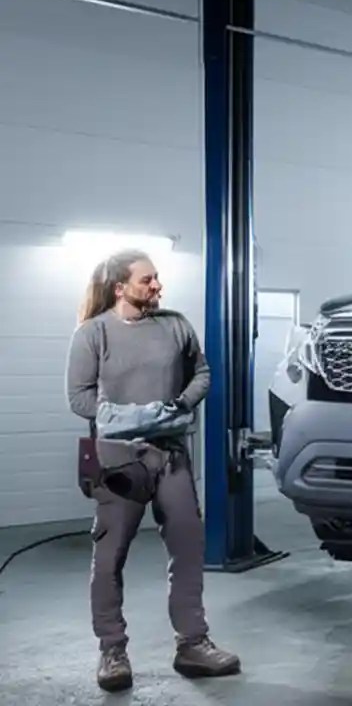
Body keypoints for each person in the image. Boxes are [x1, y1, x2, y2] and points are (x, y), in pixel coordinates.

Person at [65, 249, 241, 692]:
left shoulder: (176, 325)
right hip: (118, 461)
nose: (157, 286)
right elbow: (80, 399)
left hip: (171, 457)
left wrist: (179, 406)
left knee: (187, 546)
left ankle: (193, 645)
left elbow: (201, 374)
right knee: (109, 558)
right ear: (120, 288)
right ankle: (112, 651)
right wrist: (139, 417)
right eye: (147, 280)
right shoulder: (93, 333)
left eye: (157, 278)